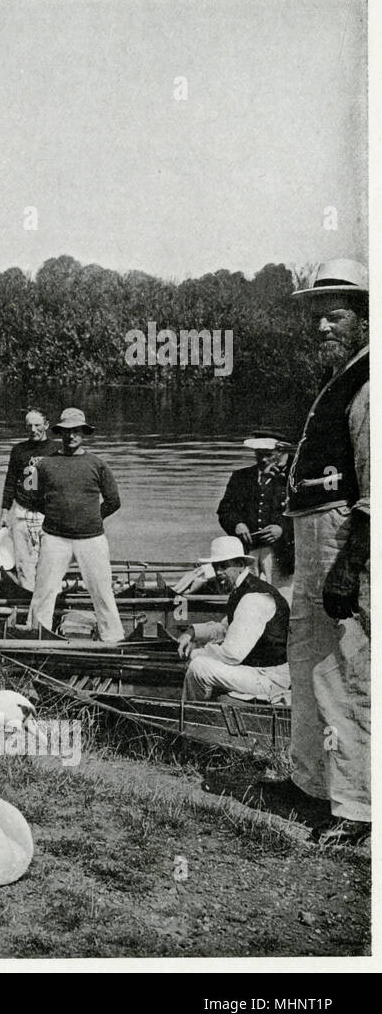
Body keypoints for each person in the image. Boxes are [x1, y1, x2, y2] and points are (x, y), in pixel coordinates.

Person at [274, 258, 370, 846]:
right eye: (317, 318)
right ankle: (312, 784)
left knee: (347, 667)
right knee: (306, 660)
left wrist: (351, 565)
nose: (321, 328)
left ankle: (358, 807)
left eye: (334, 317)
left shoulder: (371, 384)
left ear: (365, 319)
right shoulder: (343, 380)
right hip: (314, 532)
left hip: (345, 538)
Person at [26, 407, 124, 642]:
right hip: (54, 537)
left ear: (84, 433)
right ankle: (36, 637)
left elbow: (113, 501)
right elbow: (32, 497)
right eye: (66, 432)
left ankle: (113, 638)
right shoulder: (45, 464)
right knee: (43, 591)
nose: (71, 436)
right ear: (59, 433)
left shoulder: (97, 464)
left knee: (101, 591)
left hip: (91, 538)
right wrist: (56, 513)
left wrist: (92, 517)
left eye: (76, 431)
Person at [177, 537, 290, 703]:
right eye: (216, 567)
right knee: (201, 659)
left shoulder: (254, 597)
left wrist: (194, 654)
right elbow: (225, 628)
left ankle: (193, 718)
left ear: (240, 565)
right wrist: (192, 632)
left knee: (198, 667)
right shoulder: (242, 590)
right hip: (256, 671)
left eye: (224, 566)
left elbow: (231, 654)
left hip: (269, 677)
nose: (218, 573)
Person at [217, 429, 295, 599]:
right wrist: (236, 524)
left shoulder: (295, 477)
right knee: (246, 595)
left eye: (268, 454)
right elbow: (225, 510)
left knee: (282, 596)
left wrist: (282, 529)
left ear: (281, 451)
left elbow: (305, 515)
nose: (263, 459)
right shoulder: (241, 477)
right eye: (259, 454)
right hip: (248, 550)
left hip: (281, 552)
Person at [0, 409, 61, 592]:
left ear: (47, 425)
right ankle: (28, 601)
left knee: (49, 561)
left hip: (47, 513)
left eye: (37, 425)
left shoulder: (57, 450)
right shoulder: (19, 450)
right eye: (29, 426)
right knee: (24, 563)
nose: (33, 429)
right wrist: (4, 512)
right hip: (22, 511)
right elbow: (10, 482)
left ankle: (50, 603)